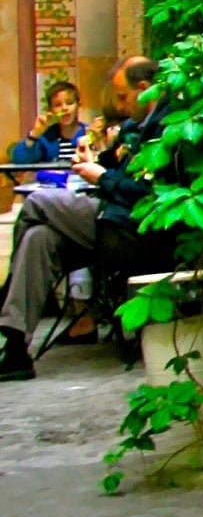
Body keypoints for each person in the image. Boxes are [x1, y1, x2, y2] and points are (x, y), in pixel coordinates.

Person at [0, 56, 163, 381]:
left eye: (123, 96)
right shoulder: (134, 125)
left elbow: (145, 193)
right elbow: (117, 169)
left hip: (126, 224)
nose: (120, 105)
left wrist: (101, 176)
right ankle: (16, 349)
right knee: (38, 237)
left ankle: (4, 294)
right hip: (106, 212)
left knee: (37, 204)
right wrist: (98, 160)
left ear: (144, 88)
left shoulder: (163, 127)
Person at [7, 78, 88, 174]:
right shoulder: (47, 138)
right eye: (58, 105)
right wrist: (35, 134)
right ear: (51, 110)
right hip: (53, 183)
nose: (64, 108)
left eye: (69, 103)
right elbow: (19, 160)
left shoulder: (88, 133)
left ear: (79, 106)